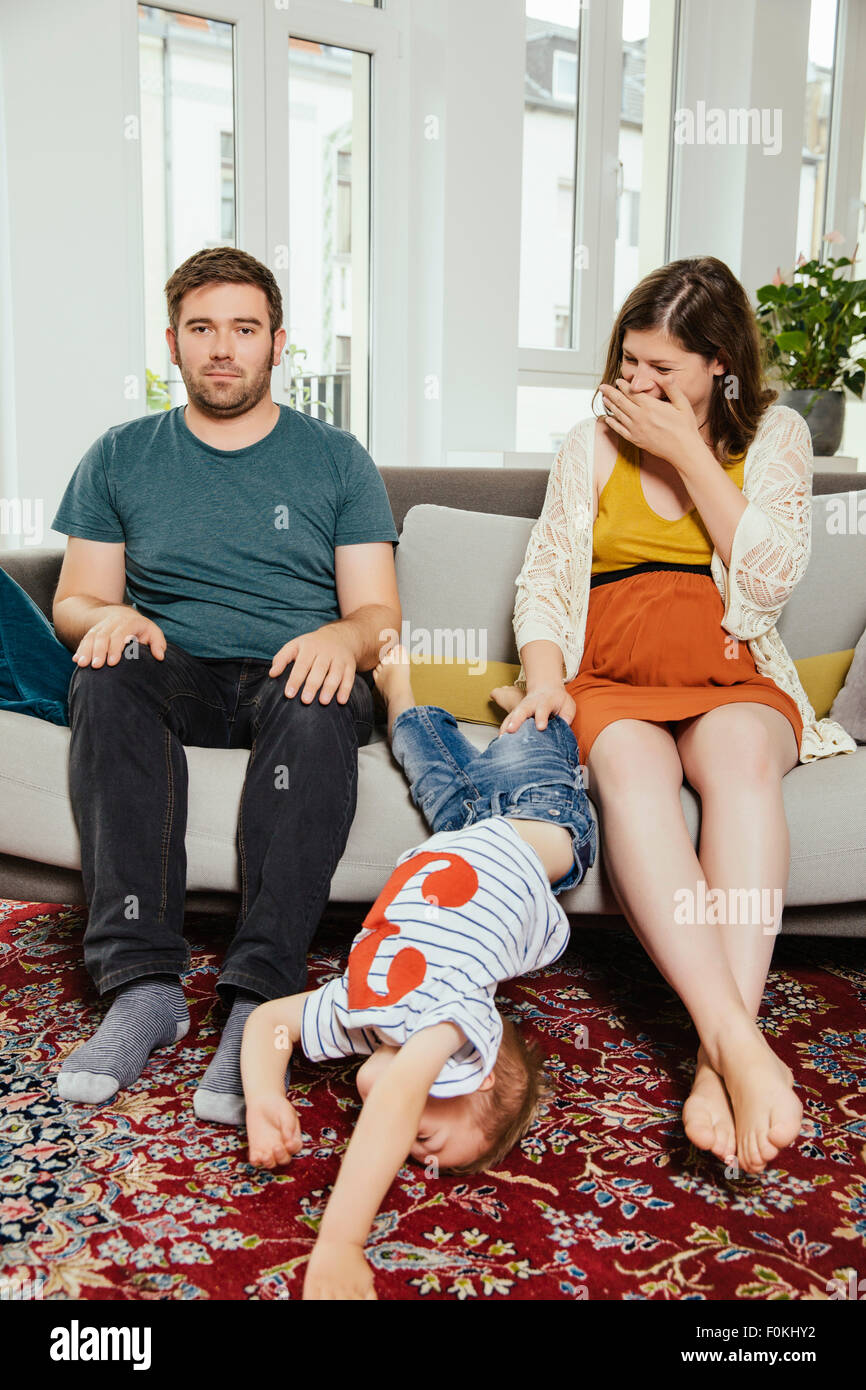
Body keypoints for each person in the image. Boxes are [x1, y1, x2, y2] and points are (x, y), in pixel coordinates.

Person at [490, 255, 857, 1179]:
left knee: (737, 761)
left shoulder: (773, 437)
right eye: (630, 362)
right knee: (629, 773)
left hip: (733, 672)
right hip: (611, 675)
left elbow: (769, 581)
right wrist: (542, 673)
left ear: (720, 366)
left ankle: (713, 1059)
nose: (639, 385)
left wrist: (689, 446)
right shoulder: (588, 445)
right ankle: (738, 1044)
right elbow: (544, 581)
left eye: (665, 368)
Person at [50, 246, 401, 1124]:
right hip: (183, 673)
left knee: (316, 697)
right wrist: (106, 619)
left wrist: (339, 635)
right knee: (105, 671)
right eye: (202, 328)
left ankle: (257, 996)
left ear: (277, 343)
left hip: (295, 674)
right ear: (172, 343)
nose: (222, 348)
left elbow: (380, 620)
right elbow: (73, 599)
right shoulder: (122, 455)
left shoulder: (336, 458)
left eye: (243, 329)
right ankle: (144, 989)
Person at [240, 645, 596, 1300]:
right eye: (432, 1140)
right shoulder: (453, 1020)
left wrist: (264, 1094)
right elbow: (401, 1095)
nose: (413, 1150)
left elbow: (270, 1022)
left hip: (457, 830)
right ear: (478, 1070)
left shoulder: (365, 1014)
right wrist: (342, 1244)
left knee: (415, 742)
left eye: (414, 1153)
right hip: (538, 816)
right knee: (533, 738)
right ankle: (530, 707)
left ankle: (400, 685)